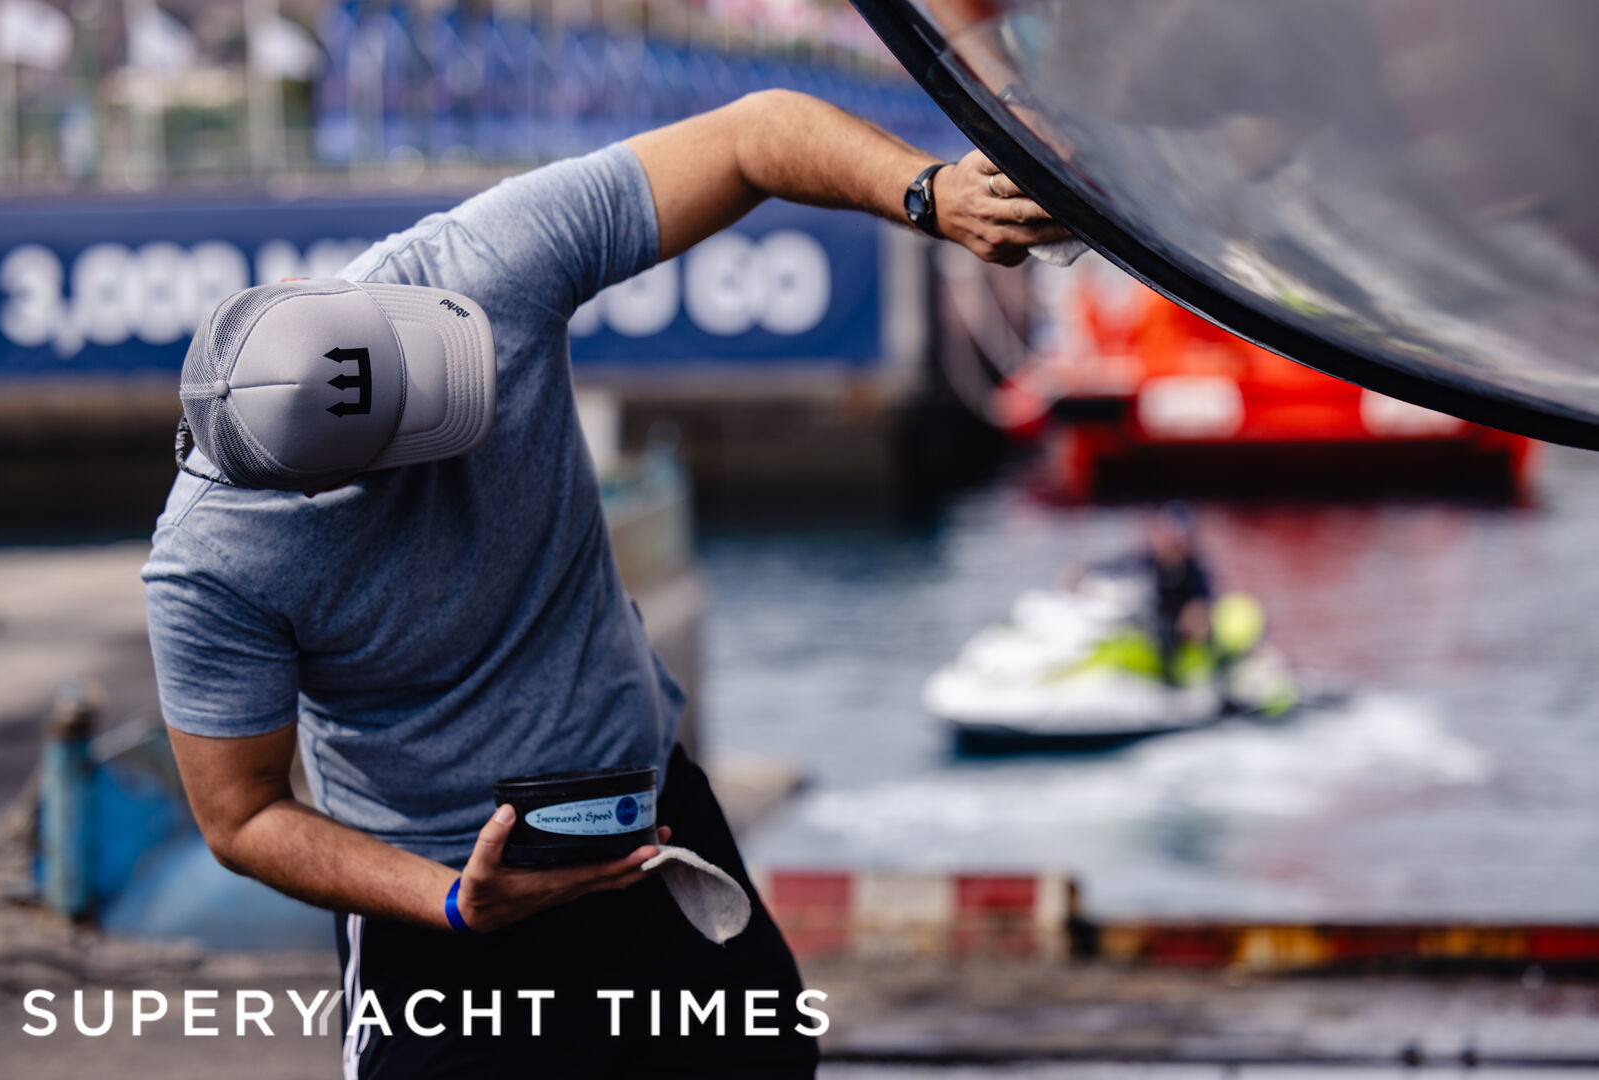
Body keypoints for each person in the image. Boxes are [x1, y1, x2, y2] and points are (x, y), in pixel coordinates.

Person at [142, 89, 1072, 1079]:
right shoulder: (210, 566)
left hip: (653, 833)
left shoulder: (471, 271)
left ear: (311, 293)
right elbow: (242, 816)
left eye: (420, 358)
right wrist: (451, 901)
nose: (444, 384)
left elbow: (751, 137)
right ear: (316, 489)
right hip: (442, 900)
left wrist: (930, 192)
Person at [1141, 502, 1213, 685]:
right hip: (1147, 634)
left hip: (1182, 641)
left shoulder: (1195, 572)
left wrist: (1197, 613)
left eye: (1180, 539)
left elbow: (1204, 602)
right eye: (1170, 537)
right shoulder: (1142, 565)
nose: (1174, 544)